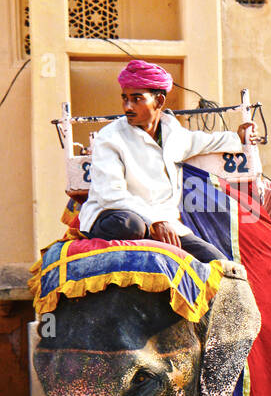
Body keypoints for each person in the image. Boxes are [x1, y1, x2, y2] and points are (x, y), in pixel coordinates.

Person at [78, 59, 256, 262]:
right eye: (125, 98)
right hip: (116, 216)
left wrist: (238, 137)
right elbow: (111, 195)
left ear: (159, 101)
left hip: (167, 224)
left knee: (218, 262)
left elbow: (204, 141)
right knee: (131, 226)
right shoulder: (110, 137)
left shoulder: (174, 134)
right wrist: (155, 221)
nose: (128, 106)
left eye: (137, 99)